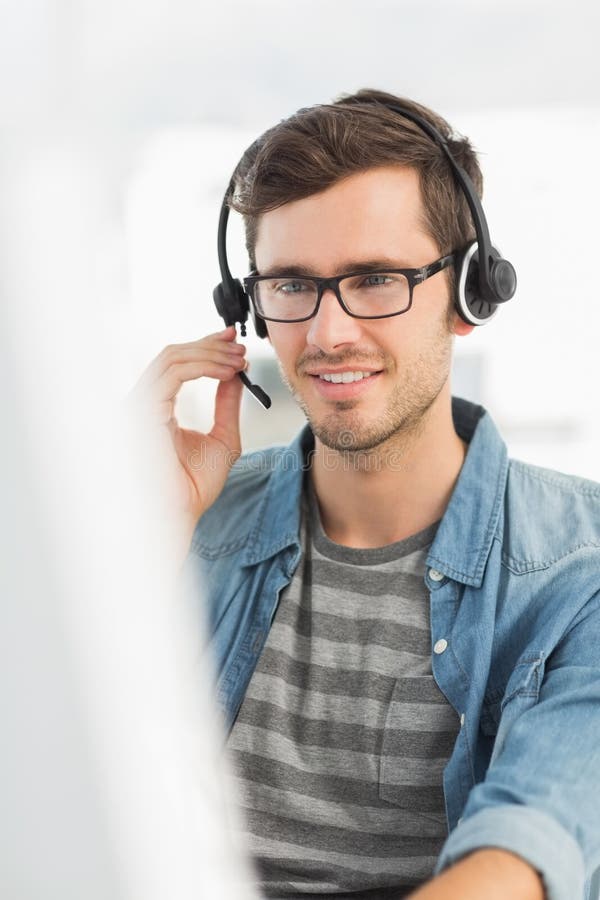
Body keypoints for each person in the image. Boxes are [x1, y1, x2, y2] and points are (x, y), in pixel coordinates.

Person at [136, 89, 600, 900]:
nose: (326, 334)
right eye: (290, 286)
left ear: (469, 293)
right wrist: (140, 535)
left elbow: (527, 853)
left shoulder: (578, 568)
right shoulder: (189, 525)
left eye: (376, 279)